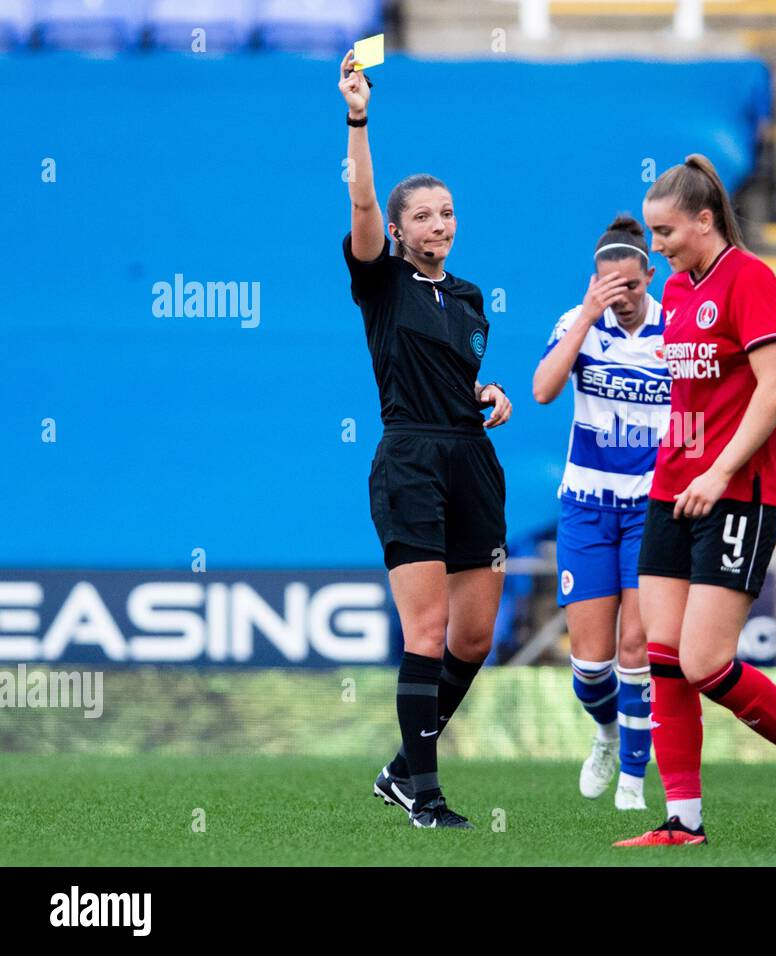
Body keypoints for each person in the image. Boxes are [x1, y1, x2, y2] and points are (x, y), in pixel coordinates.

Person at [613, 154, 776, 848]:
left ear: (704, 220)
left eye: (666, 231)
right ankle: (683, 820)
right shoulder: (680, 292)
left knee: (705, 662)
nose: (657, 247)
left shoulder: (751, 279)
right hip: (671, 485)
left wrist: (716, 472)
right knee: (662, 654)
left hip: (737, 492)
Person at [339, 50, 512, 829]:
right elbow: (364, 206)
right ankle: (427, 793)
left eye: (446, 212)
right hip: (409, 458)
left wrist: (489, 393)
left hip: (472, 456)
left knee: (473, 638)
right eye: (424, 216)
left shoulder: (472, 298)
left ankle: (401, 767)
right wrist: (358, 118)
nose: (438, 223)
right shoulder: (381, 278)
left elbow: (457, 370)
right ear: (401, 232)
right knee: (428, 630)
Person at [533, 215, 668, 811]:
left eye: (631, 287)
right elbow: (541, 390)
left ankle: (636, 783)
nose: (623, 298)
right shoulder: (577, 323)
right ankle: (607, 735)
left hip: (648, 510)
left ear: (650, 275)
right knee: (590, 664)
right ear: (594, 282)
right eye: (609, 288)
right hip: (586, 507)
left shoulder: (676, 331)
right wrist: (588, 315)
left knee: (637, 649)